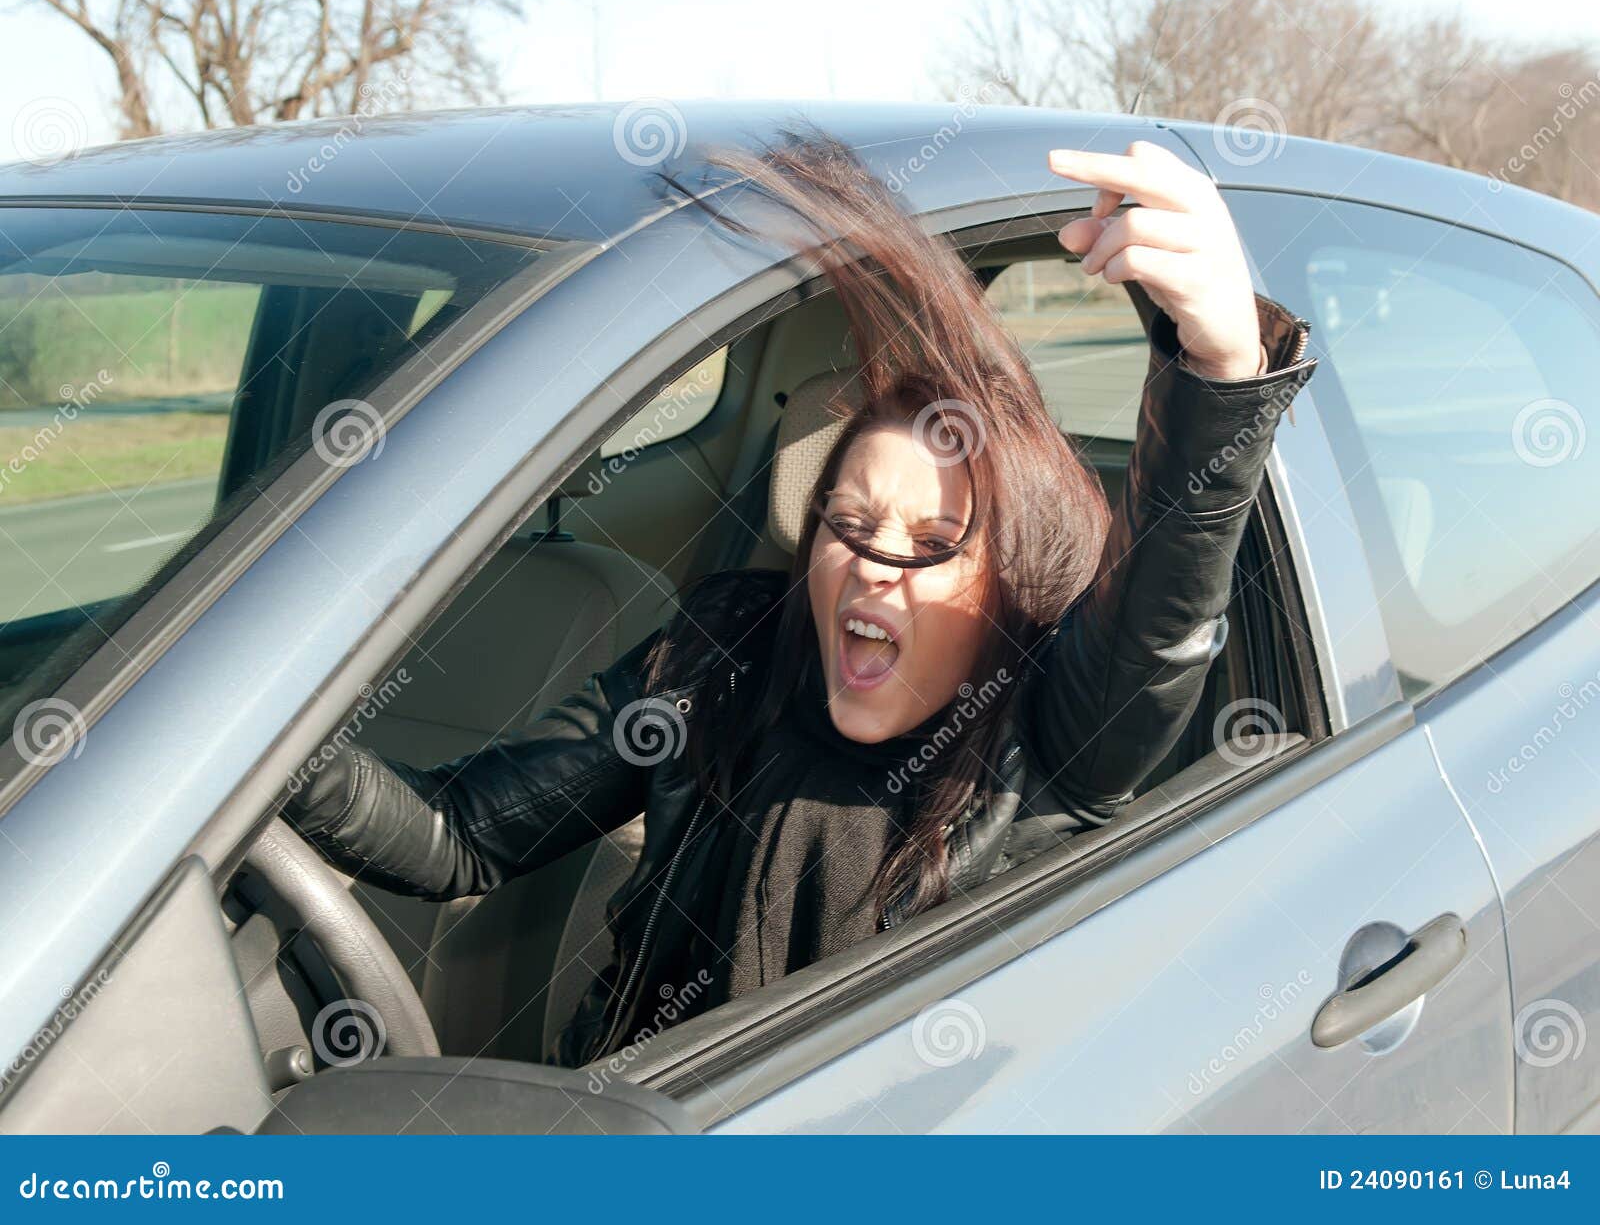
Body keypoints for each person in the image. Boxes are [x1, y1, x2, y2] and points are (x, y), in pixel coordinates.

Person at [283, 131, 1317, 1067]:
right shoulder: (719, 653)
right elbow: (457, 834)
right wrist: (258, 742)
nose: (872, 566)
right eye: (850, 526)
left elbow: (1161, 626)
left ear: (1008, 590)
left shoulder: (1049, 738)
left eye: (930, 546)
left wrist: (1219, 366)